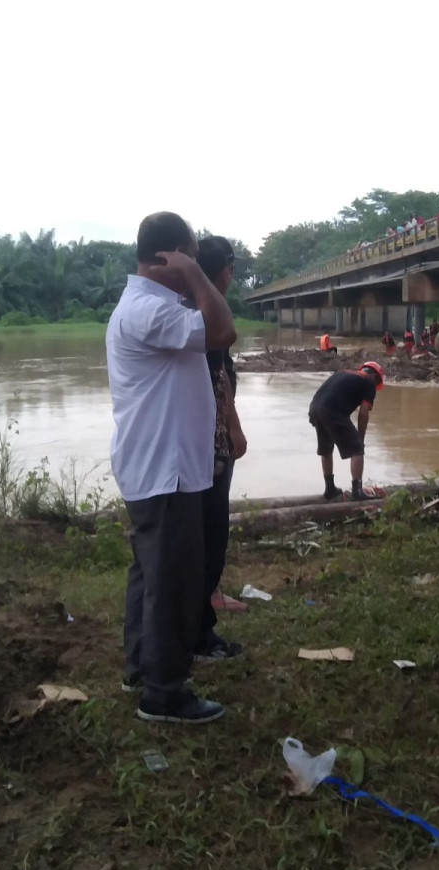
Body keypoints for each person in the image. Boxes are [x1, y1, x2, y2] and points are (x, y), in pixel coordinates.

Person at [107, 211, 236, 725]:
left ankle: (143, 669)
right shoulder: (149, 311)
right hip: (165, 469)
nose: (196, 263)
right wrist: (195, 272)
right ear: (172, 256)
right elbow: (222, 329)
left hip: (160, 464)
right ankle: (163, 693)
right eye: (190, 253)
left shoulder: (150, 307)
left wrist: (189, 272)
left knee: (152, 574)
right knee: (173, 581)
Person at [193, 236, 248, 660]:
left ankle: (201, 616)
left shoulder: (191, 309)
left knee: (205, 535)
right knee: (211, 536)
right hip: (211, 446)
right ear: (225, 270)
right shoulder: (211, 315)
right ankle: (200, 634)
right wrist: (234, 429)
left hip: (198, 443)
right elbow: (219, 381)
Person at [309, 361, 384, 500]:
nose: (375, 385)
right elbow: (363, 413)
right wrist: (361, 438)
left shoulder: (342, 373)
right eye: (377, 382)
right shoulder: (368, 382)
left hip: (315, 408)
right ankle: (357, 492)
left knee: (326, 448)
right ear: (374, 376)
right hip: (332, 410)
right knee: (357, 449)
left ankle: (330, 489)